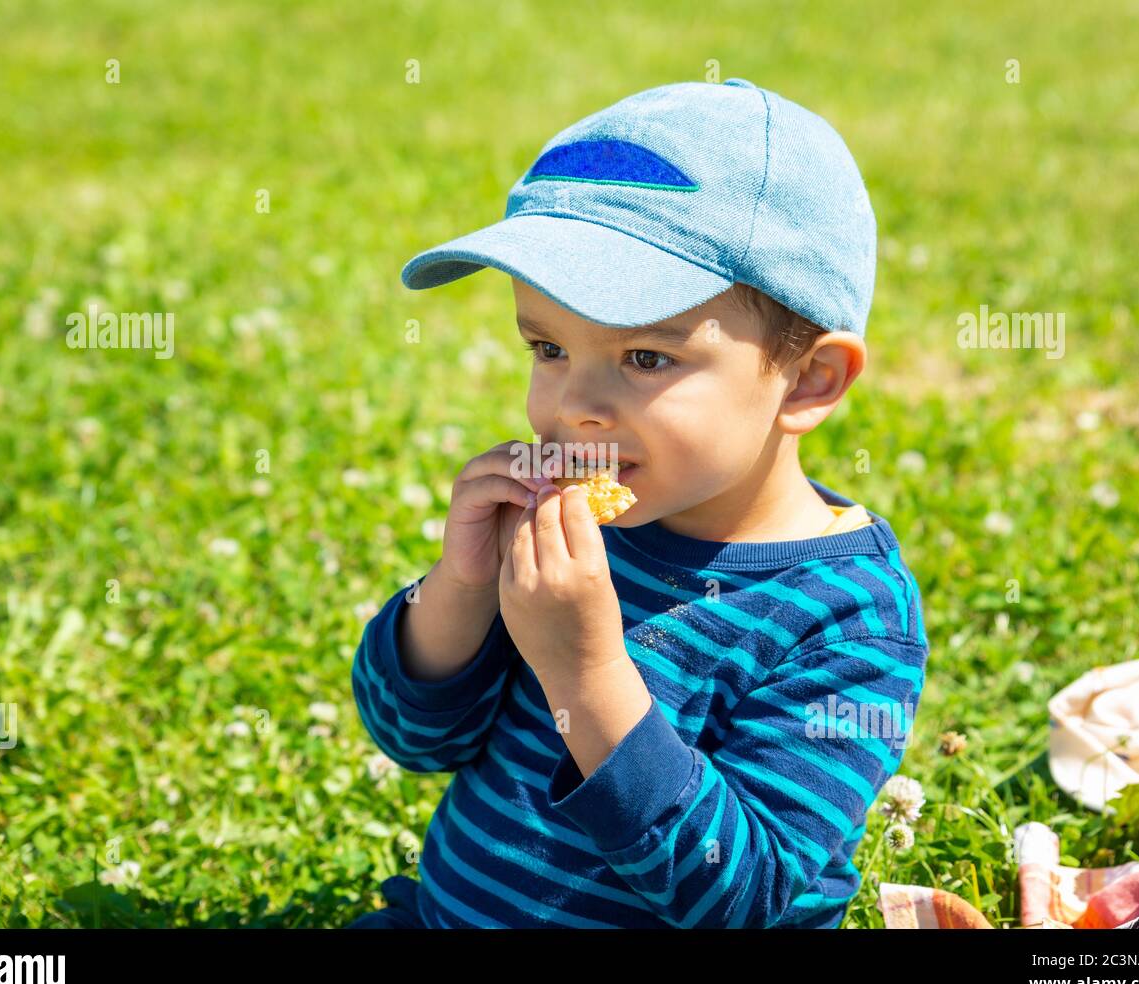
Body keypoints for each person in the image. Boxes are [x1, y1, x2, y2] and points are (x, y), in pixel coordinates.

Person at [348, 78, 928, 928]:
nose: (572, 406)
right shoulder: (579, 531)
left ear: (809, 380)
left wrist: (585, 674)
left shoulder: (849, 621)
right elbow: (415, 736)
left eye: (646, 359)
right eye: (547, 347)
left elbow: (746, 896)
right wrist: (462, 587)